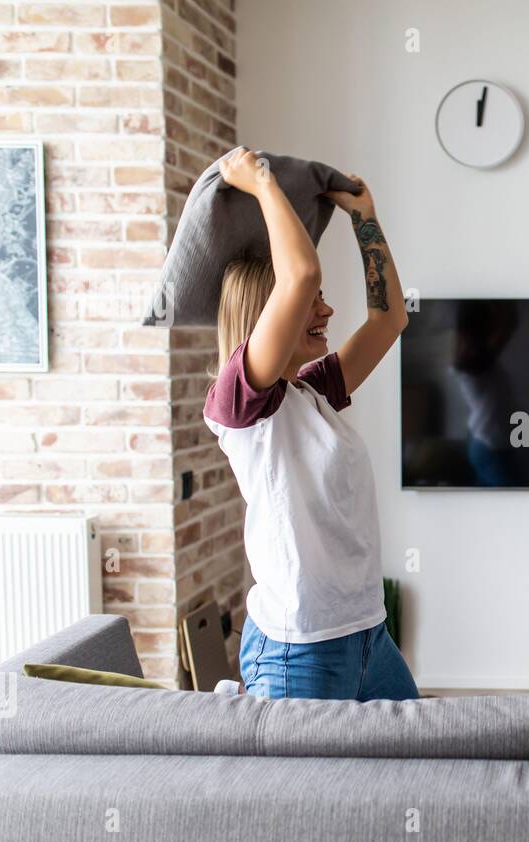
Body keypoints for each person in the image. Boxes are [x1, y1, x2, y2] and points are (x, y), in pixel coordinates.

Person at [201, 147, 416, 701]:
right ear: (268, 314)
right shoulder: (242, 405)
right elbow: (299, 273)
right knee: (301, 791)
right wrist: (261, 182)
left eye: (320, 300)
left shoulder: (311, 392)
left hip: (369, 634)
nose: (325, 310)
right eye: (311, 303)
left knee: (420, 776)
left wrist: (363, 216)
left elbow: (390, 317)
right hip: (300, 649)